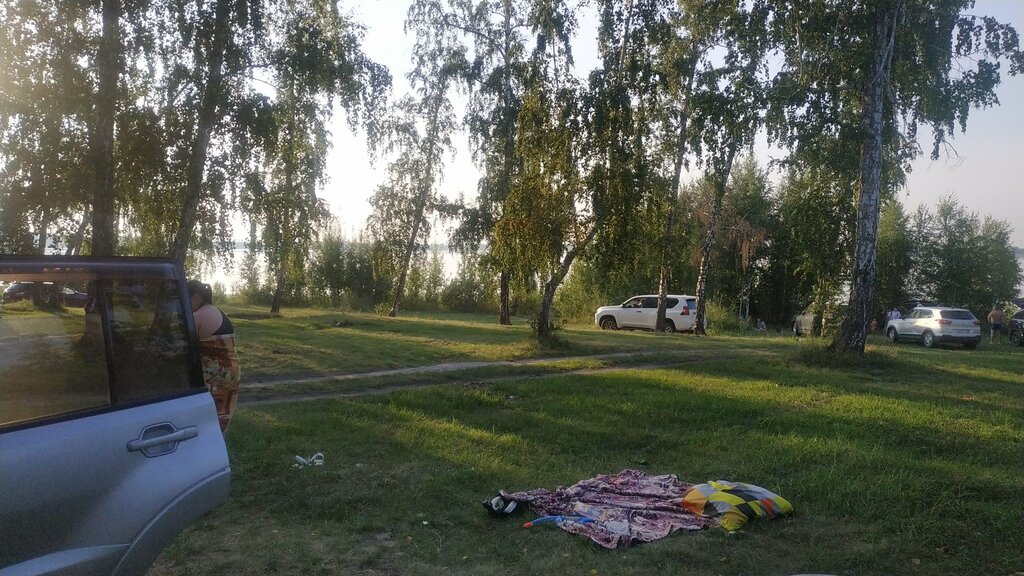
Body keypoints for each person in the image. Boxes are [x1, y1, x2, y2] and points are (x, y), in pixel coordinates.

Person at [187, 280, 240, 433]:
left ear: (196, 297)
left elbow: (183, 345)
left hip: (216, 374)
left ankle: (209, 448)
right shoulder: (216, 310)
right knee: (222, 414)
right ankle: (216, 446)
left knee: (210, 417)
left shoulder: (198, 316)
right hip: (231, 370)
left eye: (186, 299)